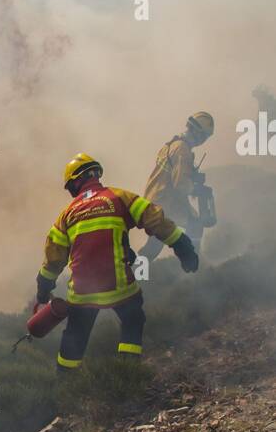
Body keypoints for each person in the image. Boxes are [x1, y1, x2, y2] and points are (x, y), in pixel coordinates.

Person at [37, 154, 199, 371]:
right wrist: (183, 246)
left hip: (83, 294)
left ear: (76, 181)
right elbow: (156, 221)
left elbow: (53, 260)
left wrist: (43, 289)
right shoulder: (121, 197)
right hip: (119, 287)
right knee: (133, 319)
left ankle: (65, 382)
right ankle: (127, 371)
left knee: (74, 337)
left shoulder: (66, 215)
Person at [140, 112, 215, 260]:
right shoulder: (182, 150)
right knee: (195, 224)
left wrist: (192, 177)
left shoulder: (174, 144)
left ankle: (134, 272)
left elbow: (172, 175)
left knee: (155, 244)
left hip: (158, 199)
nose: (203, 141)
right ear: (197, 133)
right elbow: (180, 184)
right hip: (164, 203)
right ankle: (193, 264)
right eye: (204, 137)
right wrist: (196, 189)